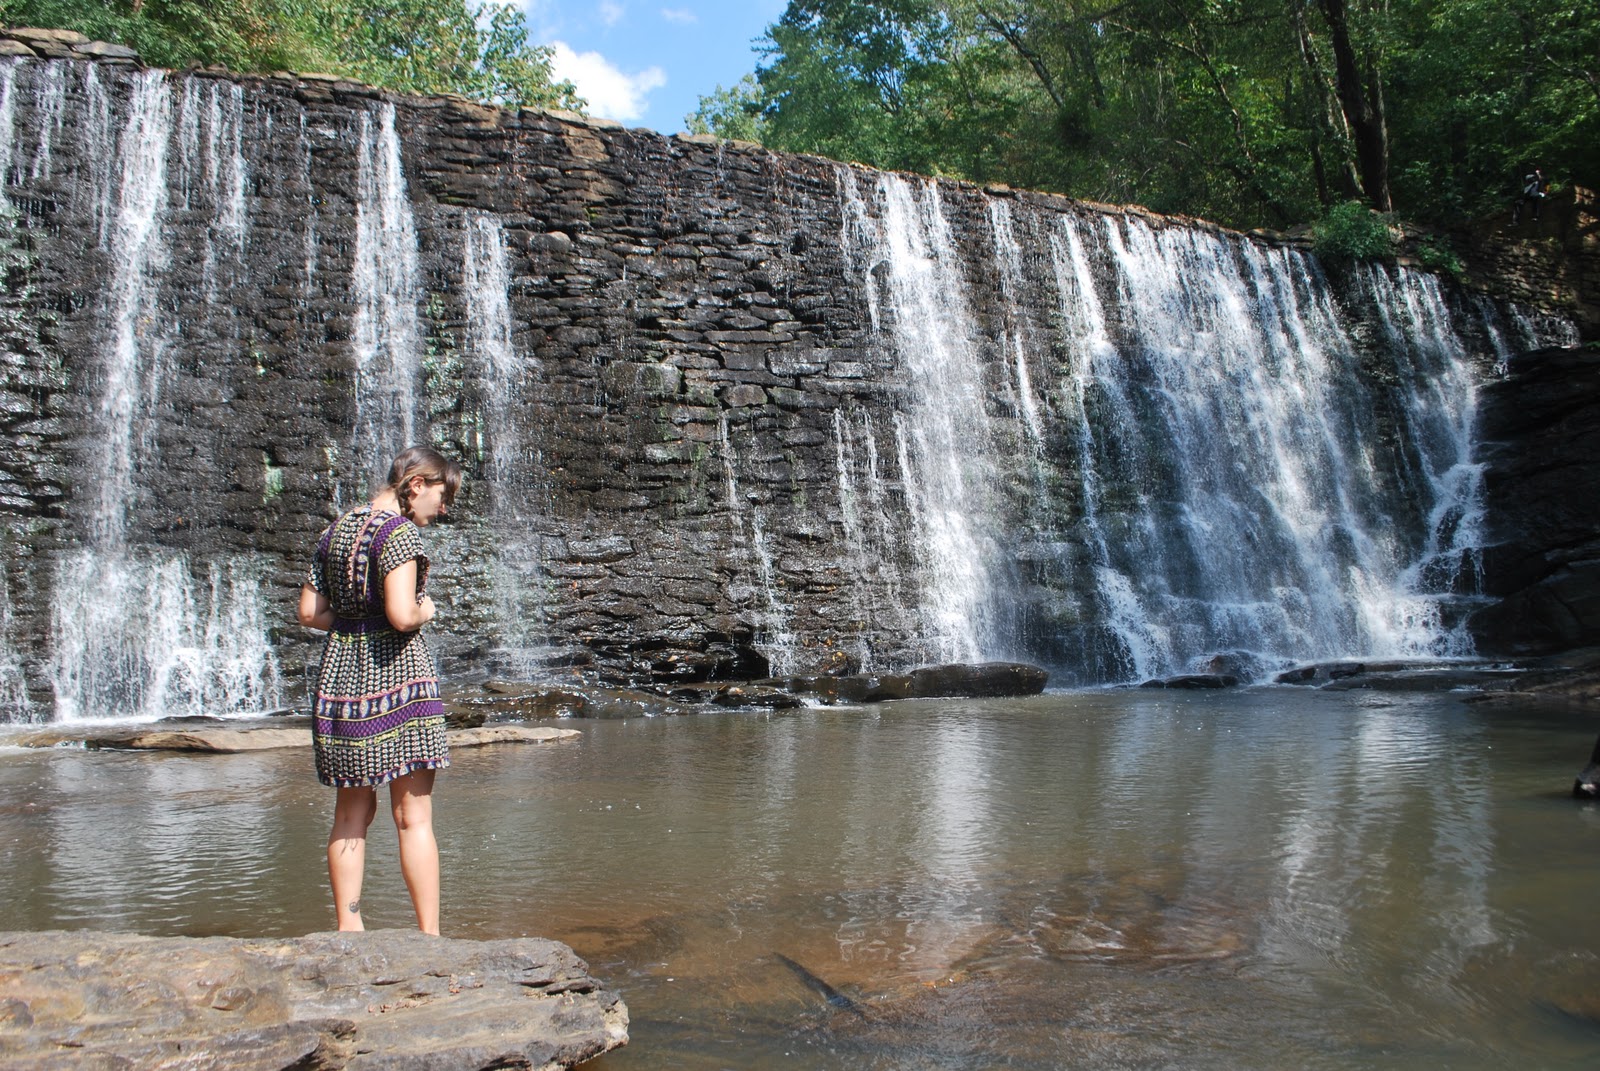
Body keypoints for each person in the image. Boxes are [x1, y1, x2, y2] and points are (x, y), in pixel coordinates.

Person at [297, 445, 463, 935]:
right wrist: (426, 609)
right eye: (442, 494)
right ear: (416, 485)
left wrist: (350, 621)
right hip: (397, 681)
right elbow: (401, 614)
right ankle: (430, 936)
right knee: (413, 816)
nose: (444, 507)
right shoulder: (398, 535)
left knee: (350, 812)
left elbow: (309, 613)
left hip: (342, 678)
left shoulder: (336, 530)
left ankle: (350, 929)